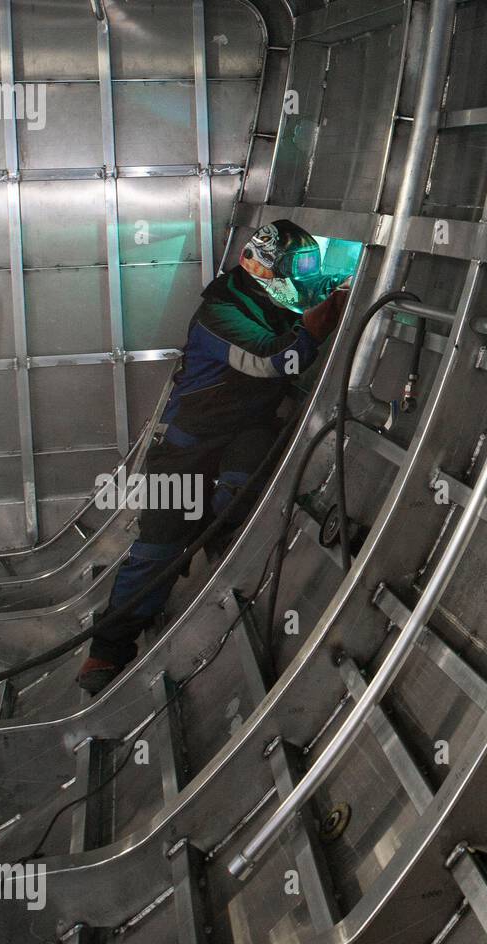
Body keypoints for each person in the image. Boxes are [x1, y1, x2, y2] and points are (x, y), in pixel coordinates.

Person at [76, 220, 349, 696]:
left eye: (310, 267)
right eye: (296, 267)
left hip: (242, 435)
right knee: (158, 548)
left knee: (241, 492)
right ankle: (107, 649)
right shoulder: (220, 315)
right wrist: (323, 319)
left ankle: (221, 542)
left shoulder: (270, 300)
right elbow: (273, 359)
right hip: (184, 448)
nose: (305, 278)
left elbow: (312, 300)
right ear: (259, 265)